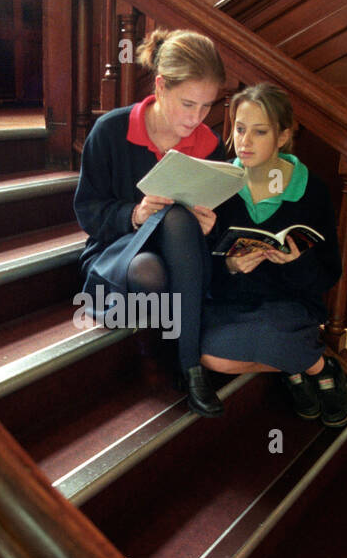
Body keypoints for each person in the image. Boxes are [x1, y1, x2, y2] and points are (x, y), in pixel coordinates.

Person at [72, 28, 229, 416]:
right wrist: (135, 214)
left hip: (187, 264)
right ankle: (189, 362)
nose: (197, 119)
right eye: (187, 104)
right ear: (160, 87)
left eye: (207, 107)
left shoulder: (210, 145)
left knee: (177, 222)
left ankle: (185, 358)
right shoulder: (110, 130)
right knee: (149, 264)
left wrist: (211, 226)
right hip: (118, 258)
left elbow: (225, 221)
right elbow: (88, 211)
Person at [200, 83, 347, 426]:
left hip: (290, 302)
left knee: (274, 331)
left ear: (283, 136)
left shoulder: (312, 190)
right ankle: (311, 366)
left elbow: (330, 270)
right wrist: (230, 265)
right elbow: (201, 261)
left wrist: (297, 264)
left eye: (260, 131)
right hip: (232, 299)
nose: (245, 141)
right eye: (240, 129)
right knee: (212, 358)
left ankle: (311, 369)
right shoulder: (220, 181)